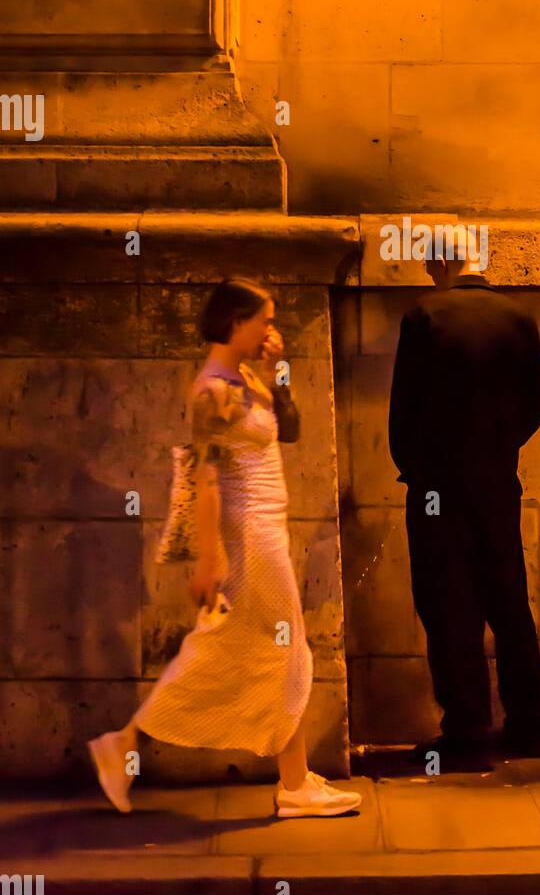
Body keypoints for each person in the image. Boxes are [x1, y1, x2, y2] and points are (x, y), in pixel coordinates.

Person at [87, 277, 361, 819]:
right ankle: (292, 784)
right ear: (236, 323)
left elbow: (291, 430)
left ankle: (130, 746)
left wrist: (280, 372)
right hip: (249, 534)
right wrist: (211, 558)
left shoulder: (247, 379)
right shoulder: (213, 390)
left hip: (267, 526)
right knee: (285, 650)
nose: (270, 330)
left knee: (242, 648)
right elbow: (206, 477)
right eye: (264, 320)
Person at [388, 229, 540, 772]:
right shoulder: (519, 318)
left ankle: (468, 731)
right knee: (509, 601)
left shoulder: (424, 316)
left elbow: (404, 407)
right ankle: (531, 726)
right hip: (497, 483)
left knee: (448, 606)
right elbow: (537, 404)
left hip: (438, 485)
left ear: (439, 263)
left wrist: (415, 468)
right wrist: (499, 449)